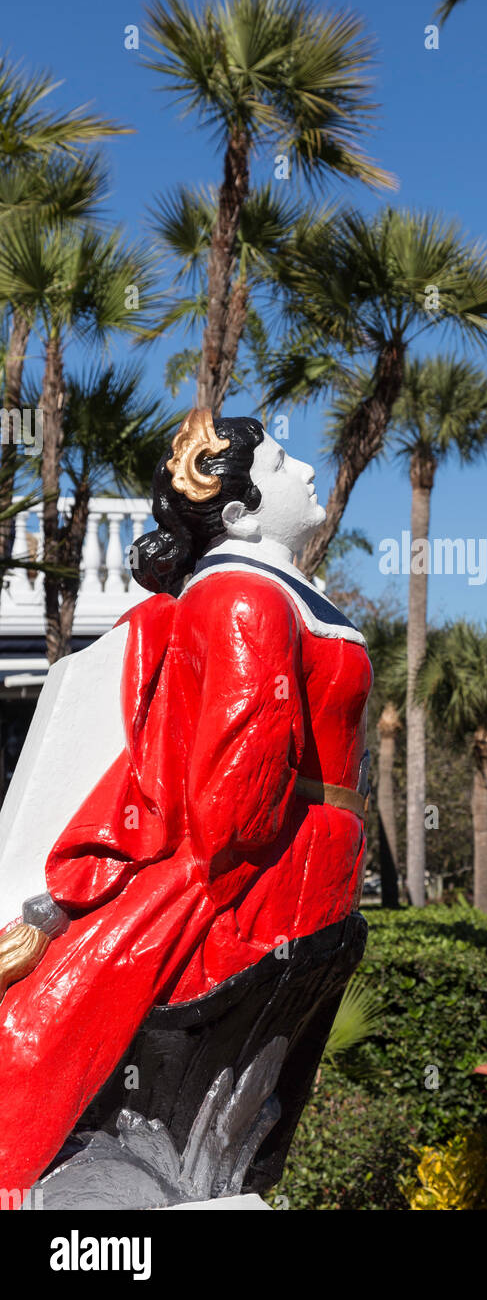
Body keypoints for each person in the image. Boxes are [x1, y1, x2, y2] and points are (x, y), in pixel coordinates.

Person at [0, 410, 371, 1202]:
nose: (305, 470)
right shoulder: (244, 595)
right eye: (279, 464)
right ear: (237, 512)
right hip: (260, 881)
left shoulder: (274, 592)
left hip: (303, 866)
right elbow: (240, 791)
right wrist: (248, 866)